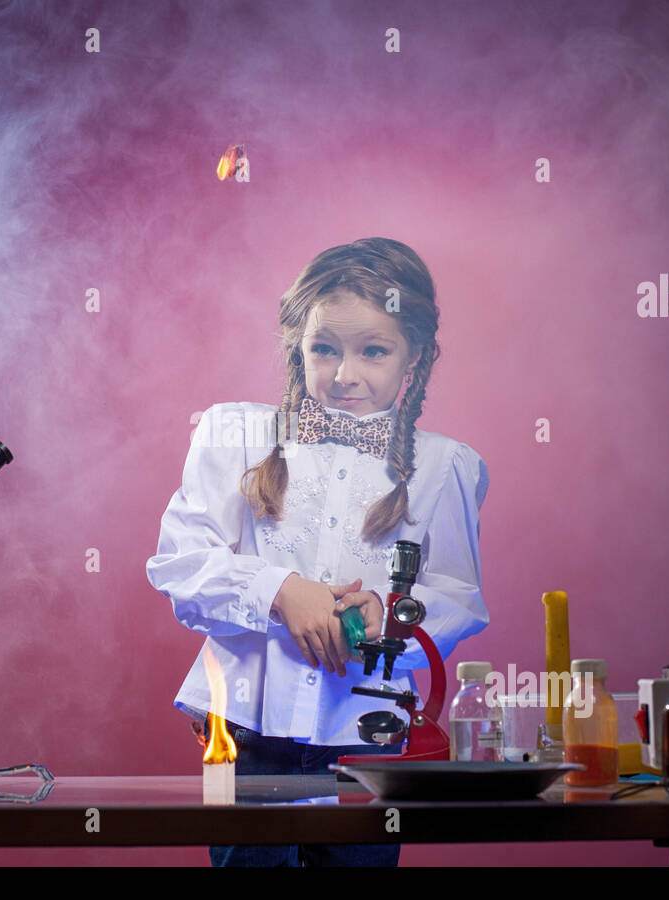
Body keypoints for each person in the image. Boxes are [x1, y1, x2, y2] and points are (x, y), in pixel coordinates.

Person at [146, 237, 490, 866]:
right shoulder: (234, 433)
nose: (343, 374)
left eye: (374, 351)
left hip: (371, 733)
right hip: (242, 726)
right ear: (295, 345)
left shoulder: (448, 467)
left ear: (416, 355)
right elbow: (181, 563)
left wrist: (391, 617)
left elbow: (458, 599)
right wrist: (282, 591)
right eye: (323, 348)